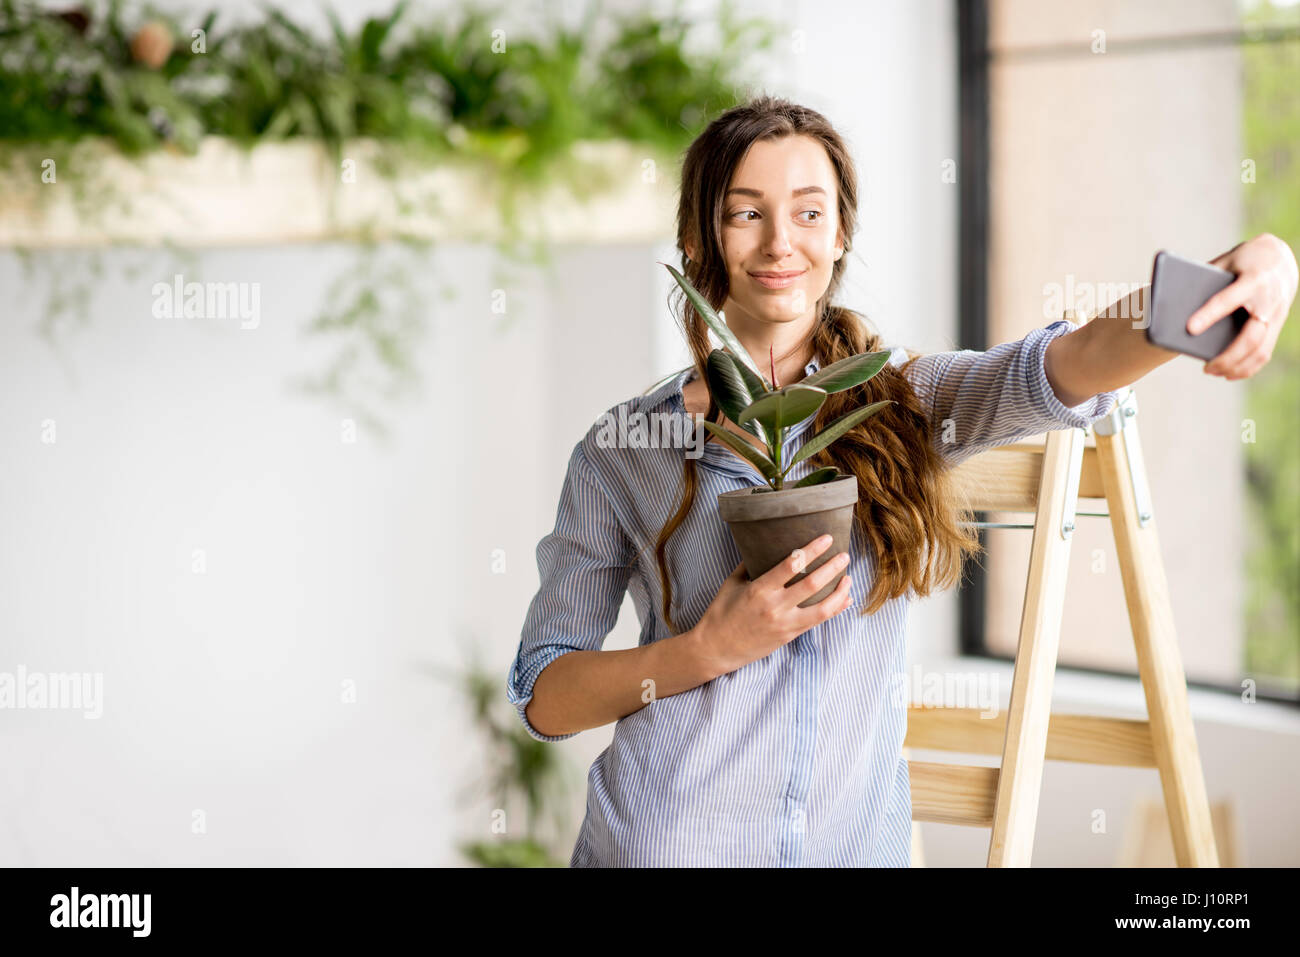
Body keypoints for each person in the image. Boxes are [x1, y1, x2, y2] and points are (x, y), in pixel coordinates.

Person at [505, 95, 1298, 866]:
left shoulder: (903, 402)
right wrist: (709, 648)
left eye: (809, 212)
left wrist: (1257, 264)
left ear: (841, 231)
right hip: (663, 845)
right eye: (746, 212)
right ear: (697, 233)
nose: (782, 241)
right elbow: (546, 690)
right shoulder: (624, 449)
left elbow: (1073, 362)